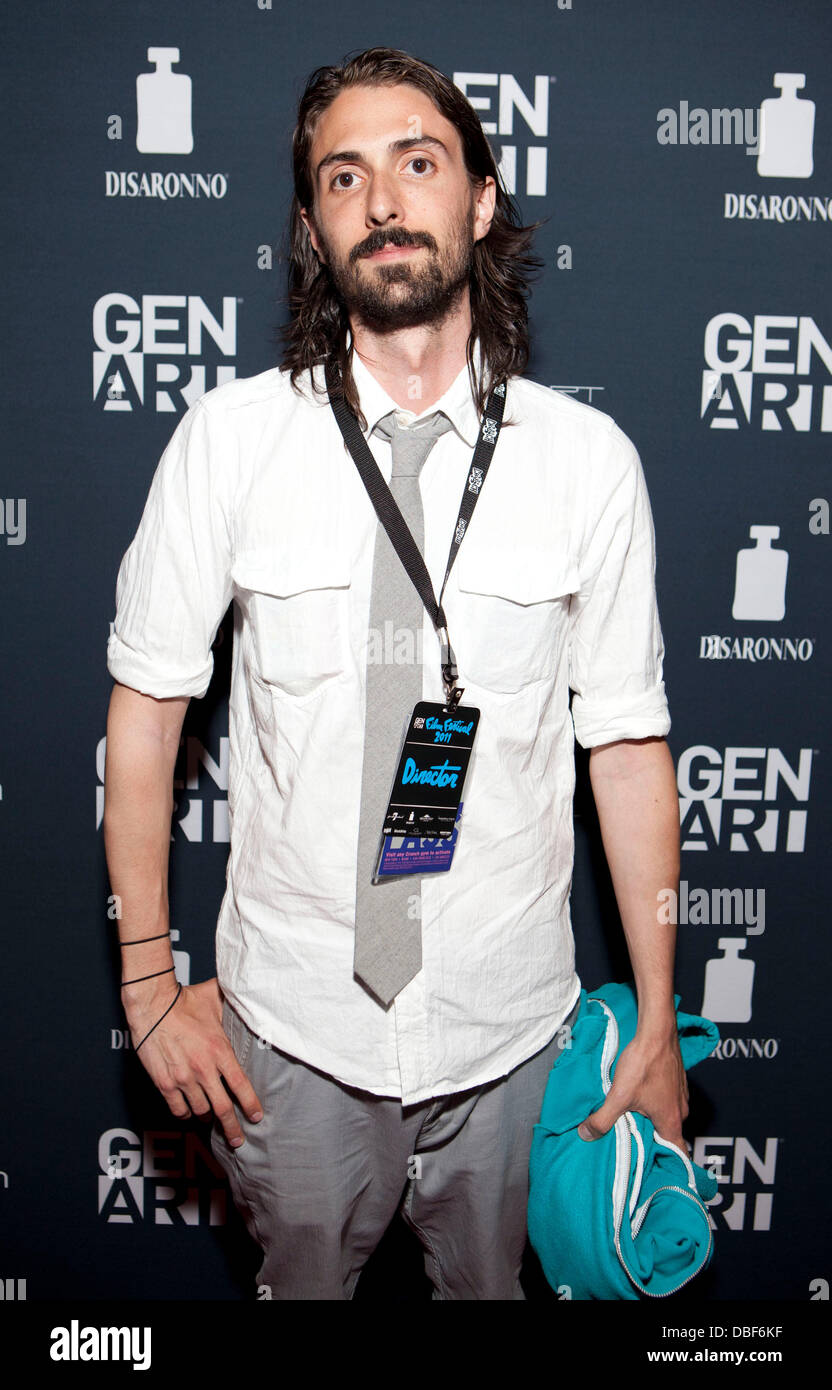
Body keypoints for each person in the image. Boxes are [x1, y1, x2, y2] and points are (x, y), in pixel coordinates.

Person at [103, 46, 688, 1301]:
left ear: (477, 202)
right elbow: (145, 719)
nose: (382, 202)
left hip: (513, 1037)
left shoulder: (587, 464)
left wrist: (654, 1018)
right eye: (342, 177)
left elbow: (628, 749)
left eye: (417, 164)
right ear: (313, 232)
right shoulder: (228, 444)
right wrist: (148, 986)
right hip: (293, 1032)